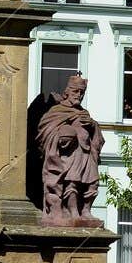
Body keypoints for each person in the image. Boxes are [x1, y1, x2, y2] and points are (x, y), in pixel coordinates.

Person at [36, 74, 104, 223]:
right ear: (67, 92)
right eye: (75, 91)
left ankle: (86, 211)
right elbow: (44, 131)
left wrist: (93, 125)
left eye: (82, 92)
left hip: (87, 153)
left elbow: (96, 135)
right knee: (72, 182)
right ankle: (73, 212)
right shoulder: (57, 111)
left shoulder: (84, 113)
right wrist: (63, 135)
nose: (79, 95)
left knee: (92, 184)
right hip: (70, 154)